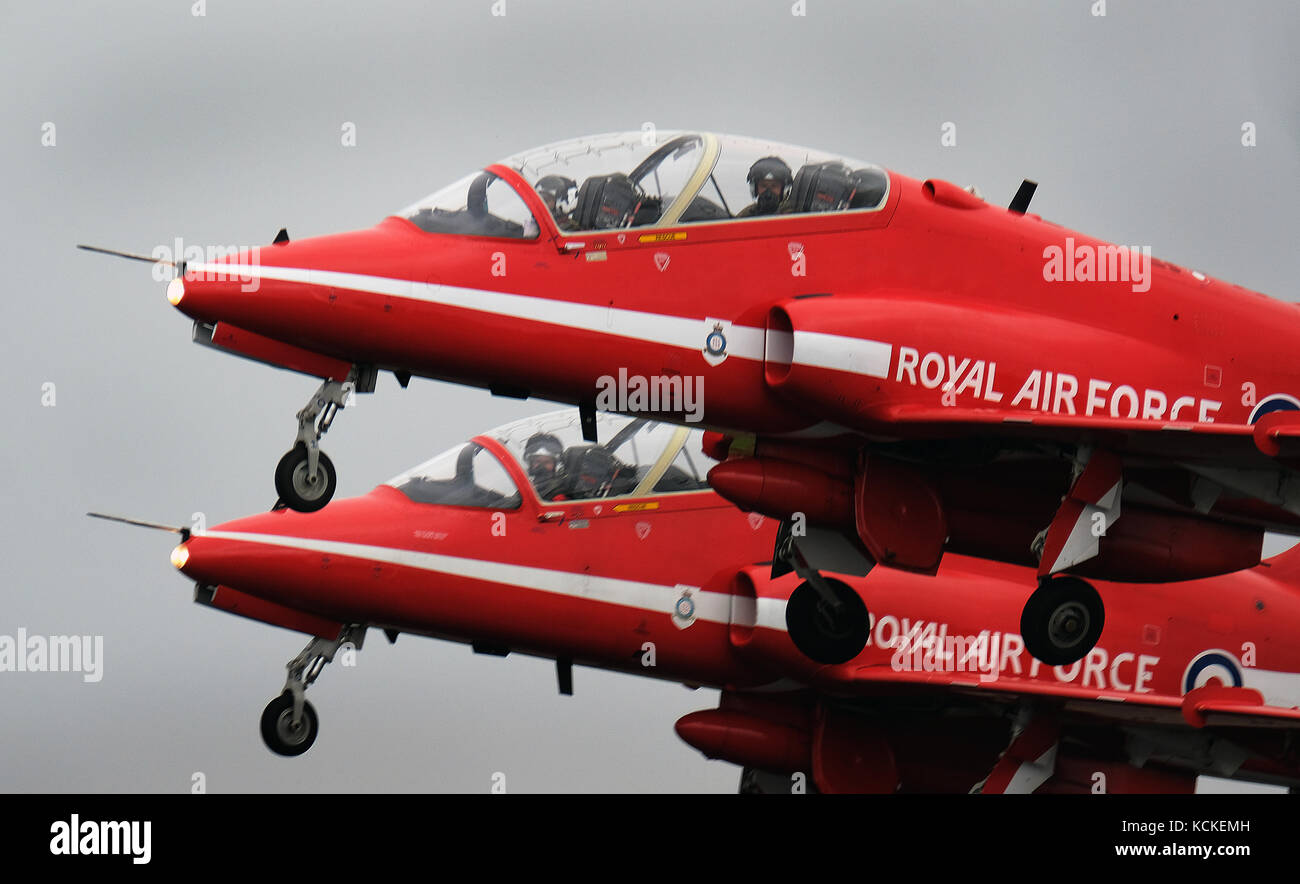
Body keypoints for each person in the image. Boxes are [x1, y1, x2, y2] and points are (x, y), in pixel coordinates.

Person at [523, 433, 567, 499]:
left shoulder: (562, 490)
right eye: (537, 461)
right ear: (530, 463)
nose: (541, 467)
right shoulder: (525, 488)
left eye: (547, 462)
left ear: (555, 464)